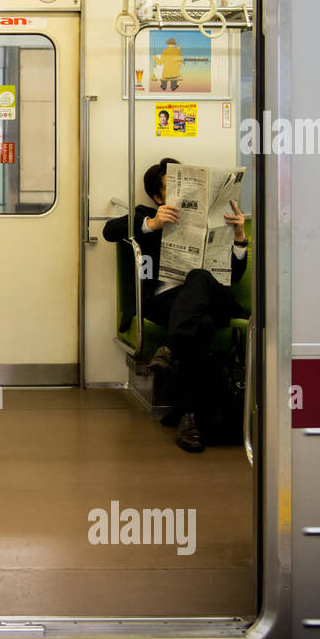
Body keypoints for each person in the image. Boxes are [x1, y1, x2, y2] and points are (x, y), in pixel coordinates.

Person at [102, 157, 248, 453]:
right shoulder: (148, 214)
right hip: (167, 300)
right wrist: (152, 224)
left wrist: (239, 236)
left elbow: (234, 275)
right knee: (201, 325)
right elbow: (109, 230)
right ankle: (189, 417)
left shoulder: (217, 217)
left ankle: (169, 346)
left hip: (215, 298)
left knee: (200, 278)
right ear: (158, 197)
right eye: (174, 189)